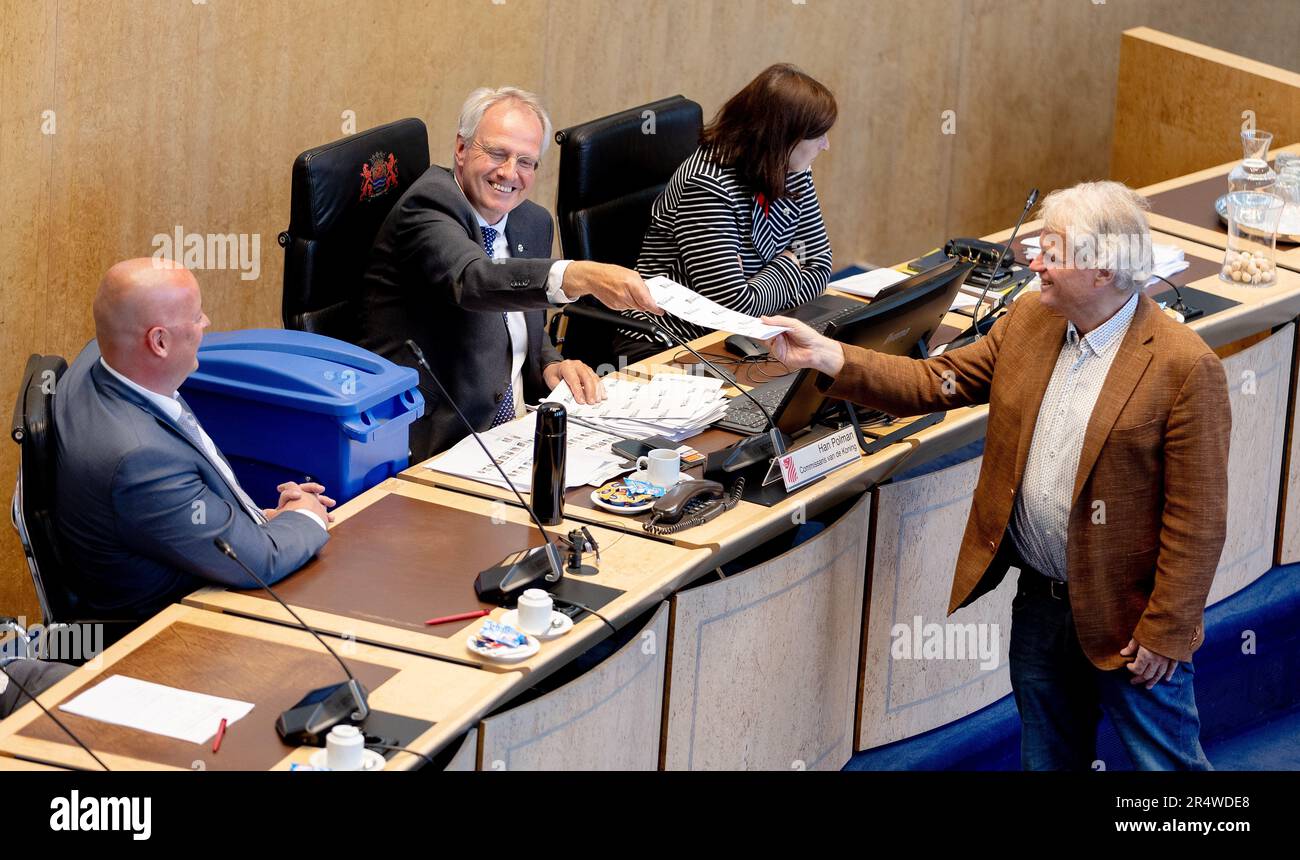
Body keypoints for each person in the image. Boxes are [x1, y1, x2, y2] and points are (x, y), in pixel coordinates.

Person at [765, 181, 1229, 770]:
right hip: (1041, 601)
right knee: (1049, 761)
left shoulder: (1185, 367)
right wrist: (828, 356)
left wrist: (1166, 630)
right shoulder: (1030, 319)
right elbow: (937, 382)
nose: (1033, 262)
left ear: (1103, 271)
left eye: (1053, 252)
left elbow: (1199, 520)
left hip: (1130, 621)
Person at [359, 86, 663, 459]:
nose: (509, 173)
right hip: (439, 443)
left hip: (521, 432)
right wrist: (576, 274)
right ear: (461, 149)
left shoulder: (530, 221)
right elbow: (475, 281)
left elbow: (517, 315)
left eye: (525, 162)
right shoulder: (428, 207)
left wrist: (550, 364)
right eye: (497, 153)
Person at [54, 259, 335, 620]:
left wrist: (261, 521)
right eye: (196, 316)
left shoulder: (106, 356)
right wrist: (304, 517)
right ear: (159, 342)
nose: (206, 324)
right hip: (174, 625)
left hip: (185, 551)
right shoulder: (139, 460)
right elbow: (259, 563)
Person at [616, 63, 836, 363]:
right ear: (782, 137)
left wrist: (756, 286)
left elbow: (820, 267)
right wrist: (787, 266)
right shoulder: (707, 184)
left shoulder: (792, 168)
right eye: (818, 136)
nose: (826, 145)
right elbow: (733, 306)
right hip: (672, 340)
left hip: (753, 330)